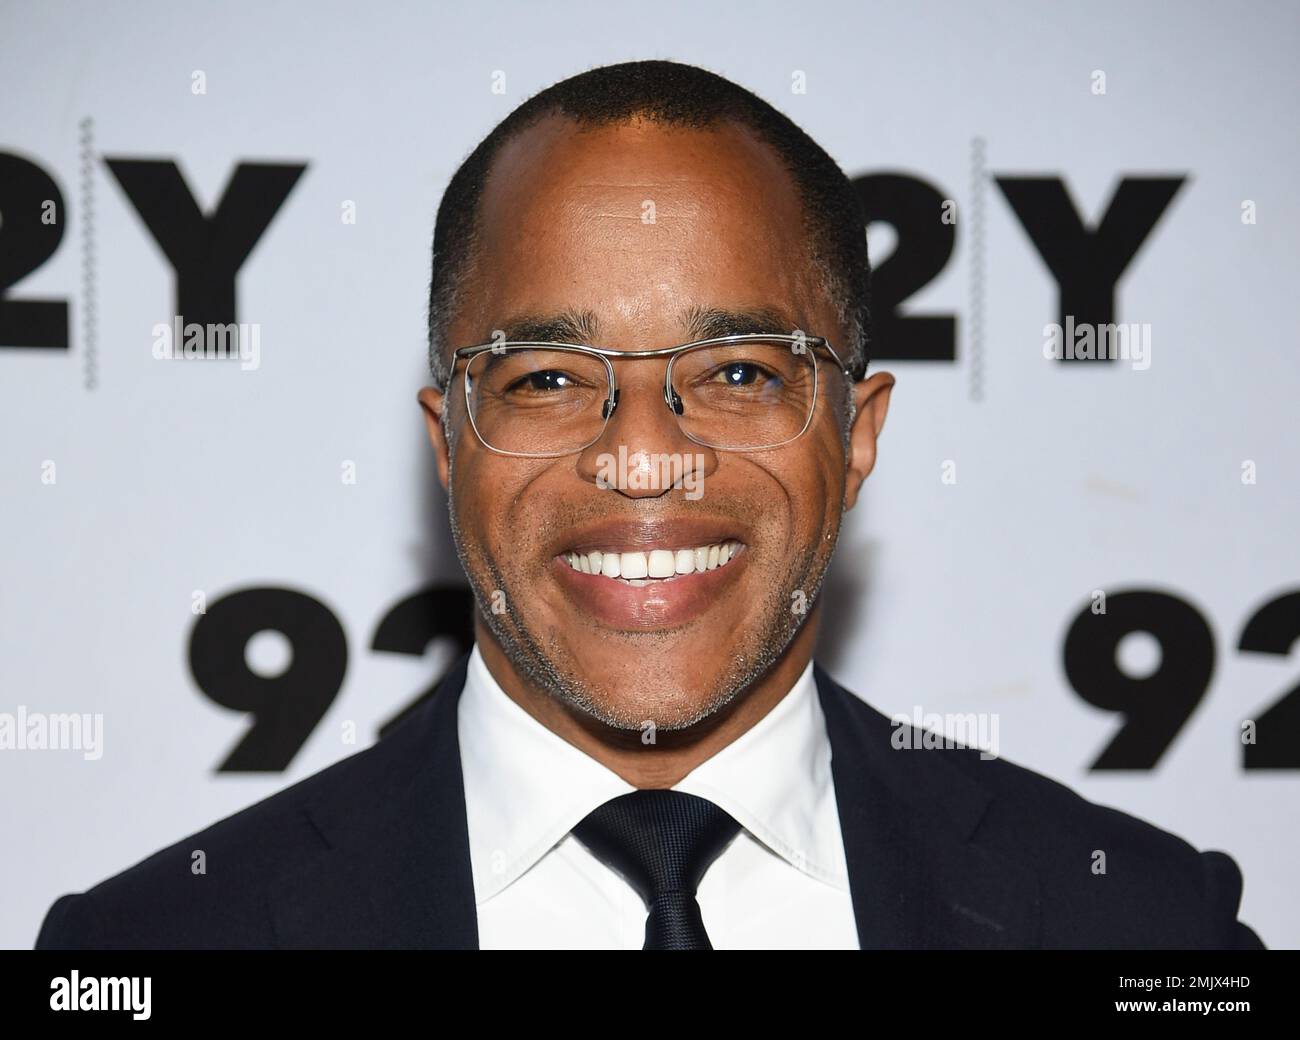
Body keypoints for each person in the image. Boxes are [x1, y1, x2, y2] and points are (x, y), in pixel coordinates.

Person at [35, 60, 1263, 950]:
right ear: (445, 444)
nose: (641, 459)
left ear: (859, 428)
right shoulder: (156, 943)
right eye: (549, 379)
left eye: (735, 372)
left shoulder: (1141, 924)